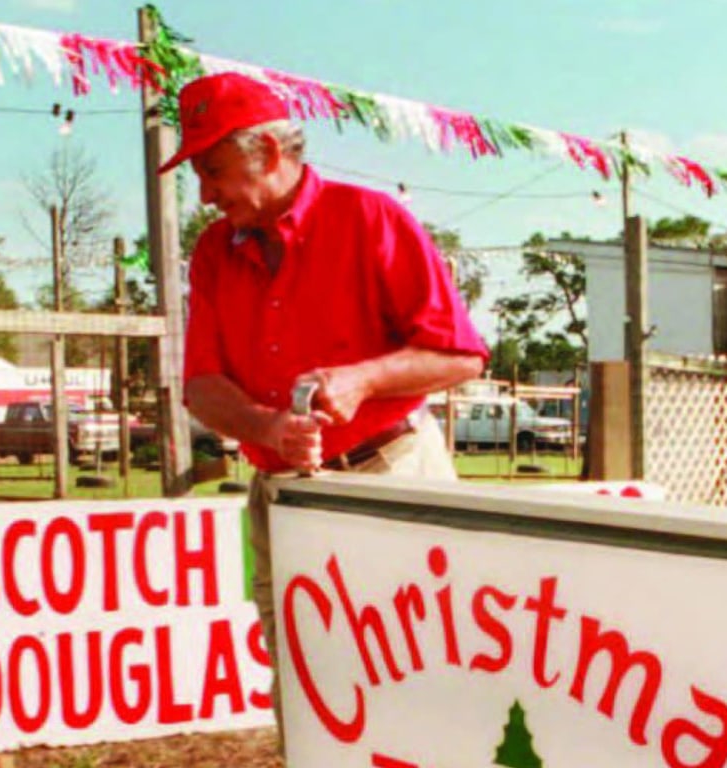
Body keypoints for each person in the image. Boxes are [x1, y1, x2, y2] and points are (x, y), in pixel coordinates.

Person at [161, 72, 490, 736]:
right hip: (284, 493)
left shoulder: (370, 219)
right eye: (199, 173)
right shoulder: (213, 253)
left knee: (424, 675)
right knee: (308, 681)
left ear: (272, 156)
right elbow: (201, 385)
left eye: (214, 169)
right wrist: (266, 426)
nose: (205, 192)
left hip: (391, 476)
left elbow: (462, 355)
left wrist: (365, 379)